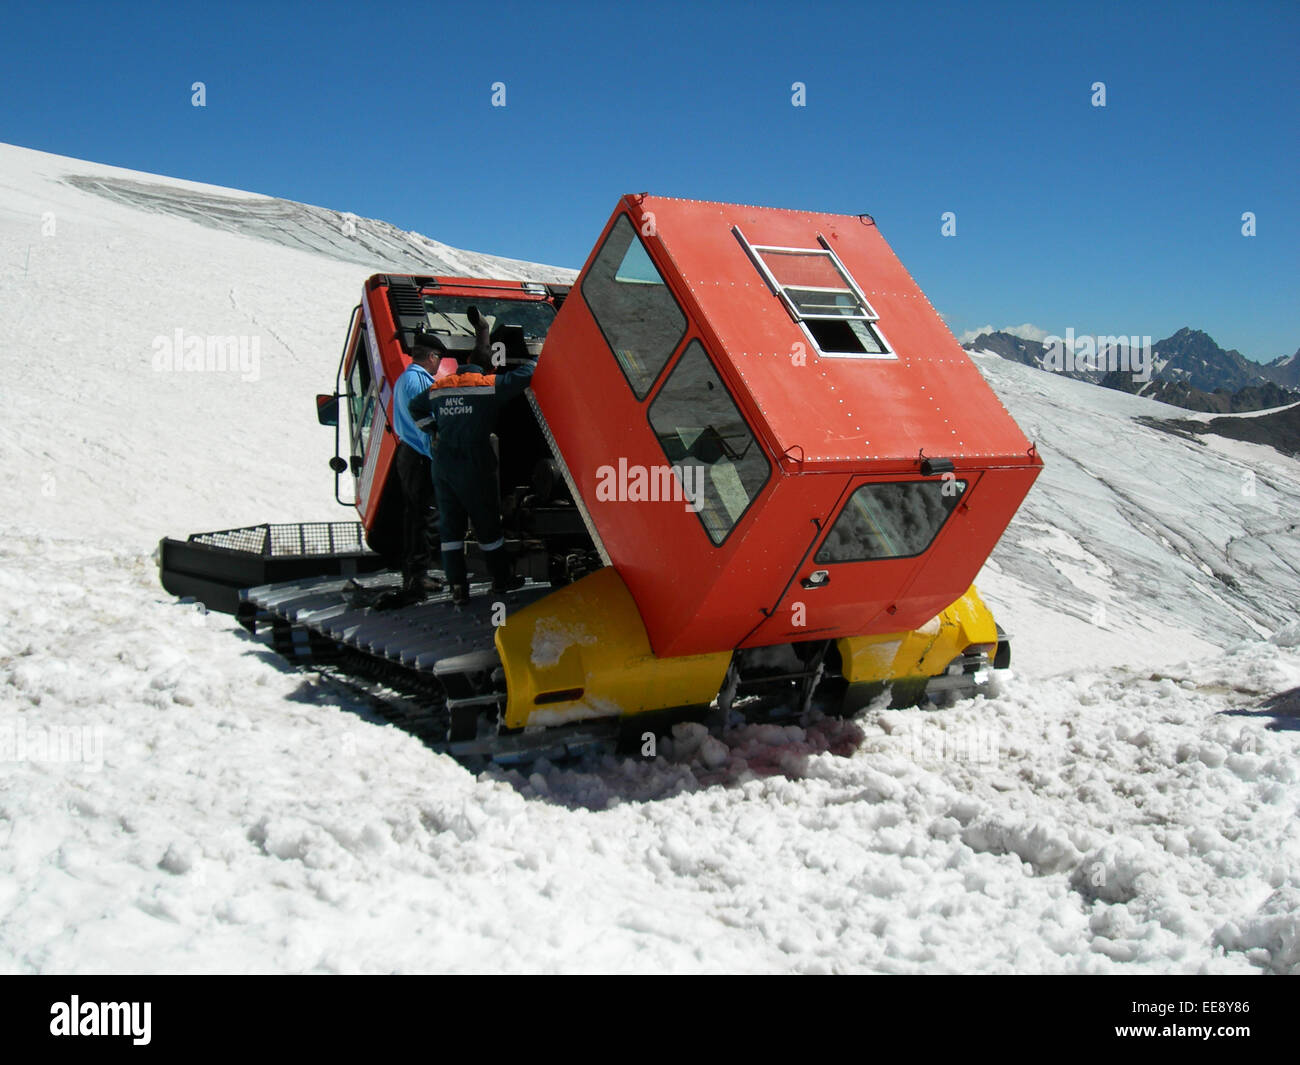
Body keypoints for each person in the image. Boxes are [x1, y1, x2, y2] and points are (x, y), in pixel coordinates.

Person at [408, 306, 537, 604]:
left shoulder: (440, 386)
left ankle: (457, 587)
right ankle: (501, 581)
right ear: (486, 368)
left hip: (443, 464)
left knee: (450, 527)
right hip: (474, 463)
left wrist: (433, 430)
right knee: (487, 525)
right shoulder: (486, 385)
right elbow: (527, 373)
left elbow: (415, 407)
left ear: (465, 364)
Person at [378, 325, 448, 608]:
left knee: (416, 517)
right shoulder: (419, 382)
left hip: (408, 453)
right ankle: (416, 580)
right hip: (420, 455)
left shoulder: (405, 379)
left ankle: (416, 575)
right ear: (431, 357)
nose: (439, 364)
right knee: (425, 518)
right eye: (439, 359)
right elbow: (425, 421)